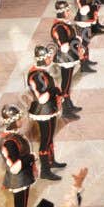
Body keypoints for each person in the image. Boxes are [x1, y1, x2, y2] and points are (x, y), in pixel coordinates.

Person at [26, 45, 66, 181]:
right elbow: (42, 98)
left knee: (49, 137)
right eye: (49, 57)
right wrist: (55, 91)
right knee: (45, 140)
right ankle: (45, 170)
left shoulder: (41, 71)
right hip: (43, 111)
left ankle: (51, 160)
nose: (51, 58)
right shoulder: (36, 76)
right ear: (43, 59)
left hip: (49, 108)